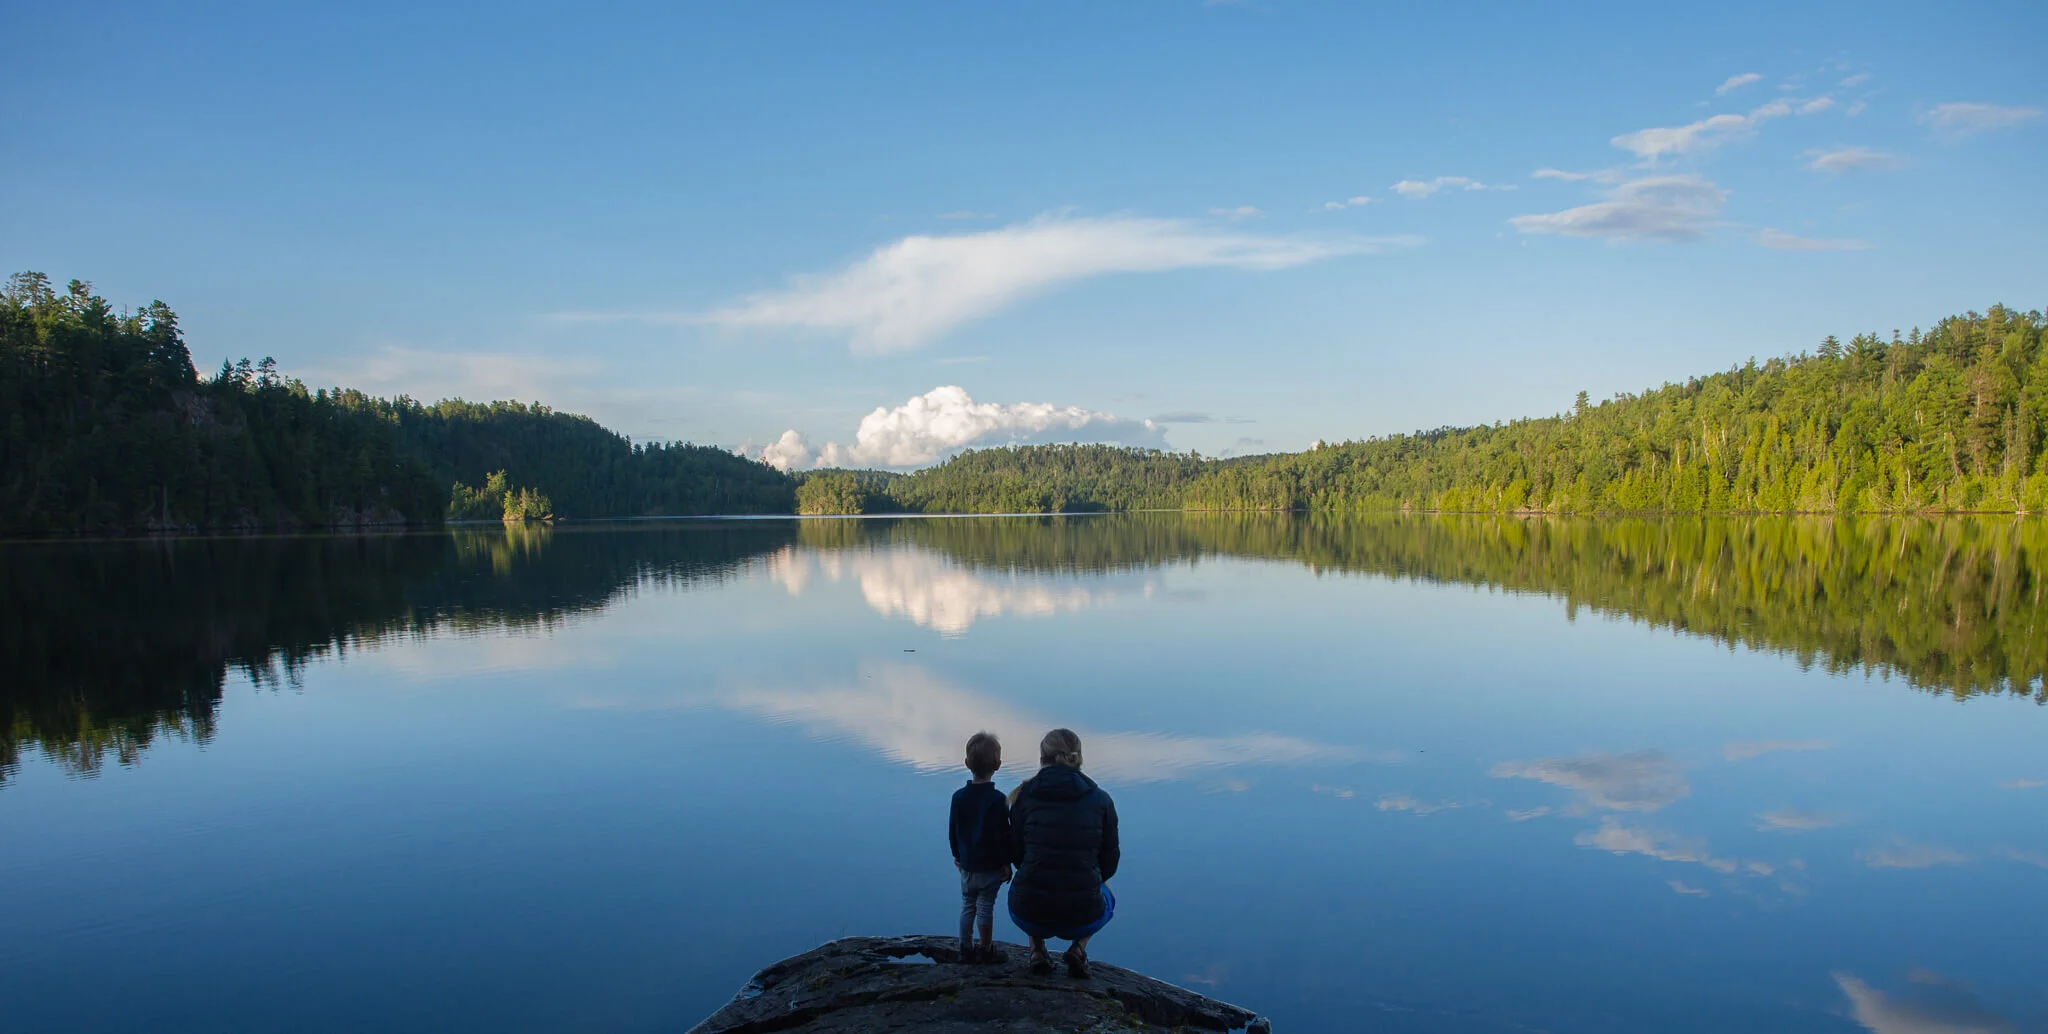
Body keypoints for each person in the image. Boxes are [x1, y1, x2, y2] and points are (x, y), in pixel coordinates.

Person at [1006, 728, 1119, 979]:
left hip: (1029, 913)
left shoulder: (1023, 797)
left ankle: (1036, 950)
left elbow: (1017, 856)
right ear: (1078, 758)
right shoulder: (1101, 800)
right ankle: (1078, 948)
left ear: (1041, 758)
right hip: (1083, 916)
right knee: (1107, 897)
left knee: (1030, 876)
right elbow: (1109, 864)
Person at [948, 731, 1012, 964]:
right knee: (985, 906)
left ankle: (965, 947)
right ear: (998, 764)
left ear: (966, 764)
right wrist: (1006, 862)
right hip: (989, 867)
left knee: (967, 904)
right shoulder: (998, 800)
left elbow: (953, 830)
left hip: (967, 864)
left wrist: (957, 854)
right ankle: (985, 949)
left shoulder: (958, 798)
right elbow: (1001, 836)